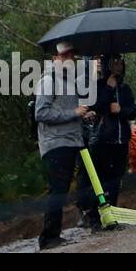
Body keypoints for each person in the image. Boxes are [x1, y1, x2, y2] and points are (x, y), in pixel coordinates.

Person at [34, 41, 97, 250]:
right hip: (54, 143)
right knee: (58, 190)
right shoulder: (48, 81)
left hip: (70, 141)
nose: (69, 59)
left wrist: (83, 115)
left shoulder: (68, 82)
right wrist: (73, 113)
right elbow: (40, 113)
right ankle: (48, 237)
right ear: (55, 59)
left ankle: (54, 234)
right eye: (65, 56)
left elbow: (68, 112)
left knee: (61, 189)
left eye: (72, 56)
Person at [87, 54, 136, 211]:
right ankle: (97, 212)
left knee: (116, 178)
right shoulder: (98, 86)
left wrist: (121, 110)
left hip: (121, 140)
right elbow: (95, 107)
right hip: (103, 139)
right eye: (114, 62)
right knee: (101, 178)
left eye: (121, 63)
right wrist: (108, 88)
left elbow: (133, 111)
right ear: (107, 65)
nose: (119, 66)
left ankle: (113, 211)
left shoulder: (125, 88)